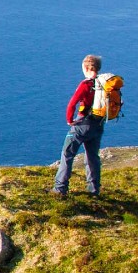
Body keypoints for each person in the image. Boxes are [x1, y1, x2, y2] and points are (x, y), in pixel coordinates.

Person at [53, 54, 106, 198]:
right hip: (98, 124)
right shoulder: (104, 83)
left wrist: (70, 120)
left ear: (87, 68)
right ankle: (94, 190)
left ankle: (60, 189)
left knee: (67, 154)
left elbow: (72, 103)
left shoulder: (86, 84)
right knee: (92, 157)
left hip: (83, 123)